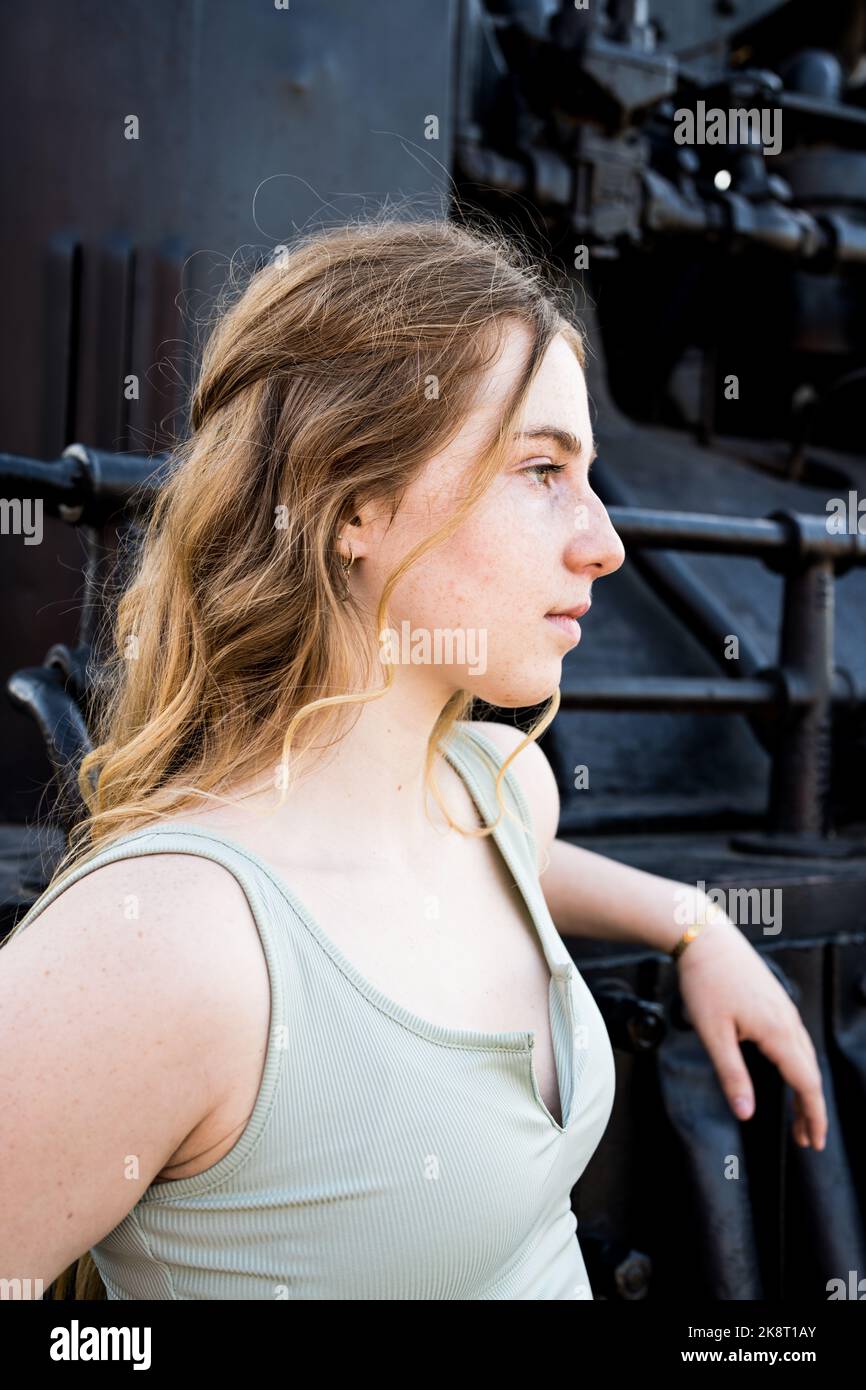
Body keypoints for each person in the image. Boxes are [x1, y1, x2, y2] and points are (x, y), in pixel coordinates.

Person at [0, 215, 827, 1301]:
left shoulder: (492, 788)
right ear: (354, 504)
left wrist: (692, 922)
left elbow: (501, 863)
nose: (603, 540)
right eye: (539, 468)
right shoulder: (159, 946)